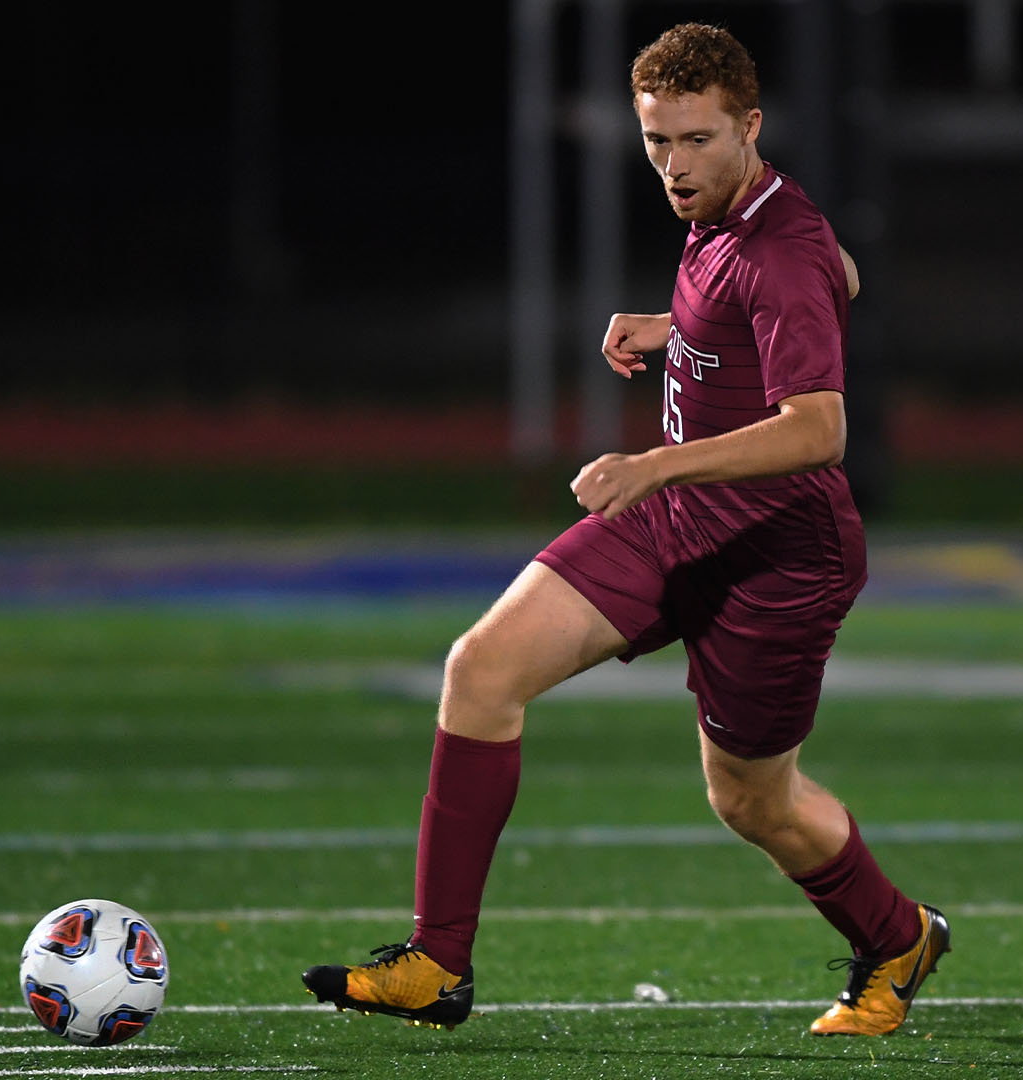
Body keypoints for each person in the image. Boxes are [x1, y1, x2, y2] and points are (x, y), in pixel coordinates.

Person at [302, 23, 948, 1038]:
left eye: (695, 141)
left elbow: (821, 430)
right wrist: (685, 332)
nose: (674, 168)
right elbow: (842, 278)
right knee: (480, 669)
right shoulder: (749, 218)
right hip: (678, 524)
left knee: (750, 802)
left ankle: (897, 934)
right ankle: (438, 963)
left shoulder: (780, 245)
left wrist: (653, 463)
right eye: (657, 144)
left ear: (750, 126)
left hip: (778, 560)